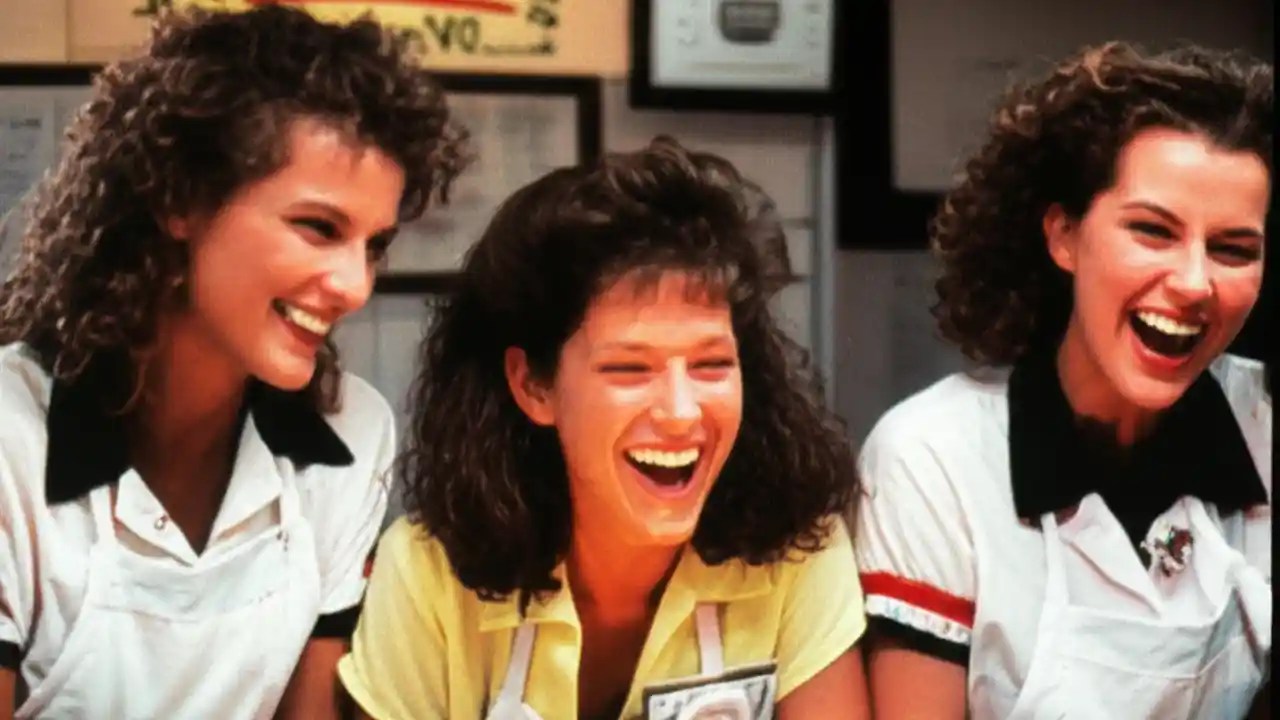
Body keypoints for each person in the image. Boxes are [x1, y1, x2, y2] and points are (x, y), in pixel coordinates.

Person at [0, 5, 466, 718]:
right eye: (319, 227)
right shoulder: (11, 437)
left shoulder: (351, 434)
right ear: (181, 200)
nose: (355, 285)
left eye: (373, 245)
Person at [338, 136, 869, 720]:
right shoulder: (428, 574)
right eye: (629, 369)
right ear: (533, 386)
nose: (681, 413)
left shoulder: (798, 552)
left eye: (712, 364)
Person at [853, 42, 1271, 719]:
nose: (1196, 283)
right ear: (1063, 236)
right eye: (1153, 231)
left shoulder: (1265, 431)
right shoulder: (934, 460)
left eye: (1233, 249)